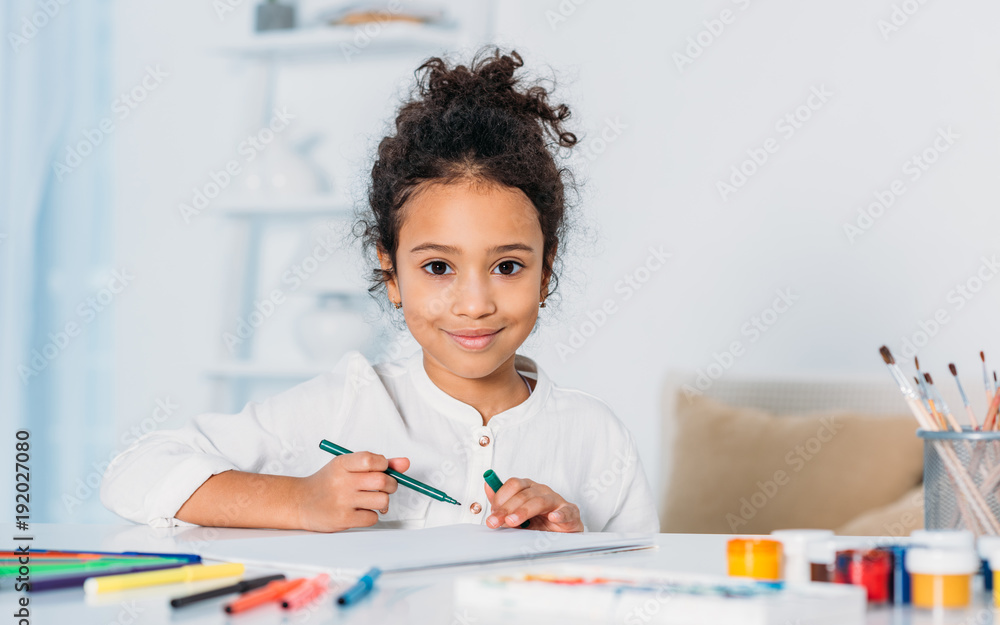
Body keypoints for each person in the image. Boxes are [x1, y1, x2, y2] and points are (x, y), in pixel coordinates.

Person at [100, 47, 659, 534]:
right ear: (391, 276)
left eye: (507, 267)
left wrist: (572, 548)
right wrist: (299, 500)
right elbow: (134, 473)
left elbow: (645, 602)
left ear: (545, 272)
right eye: (438, 267)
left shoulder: (595, 437)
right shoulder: (351, 402)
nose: (474, 304)